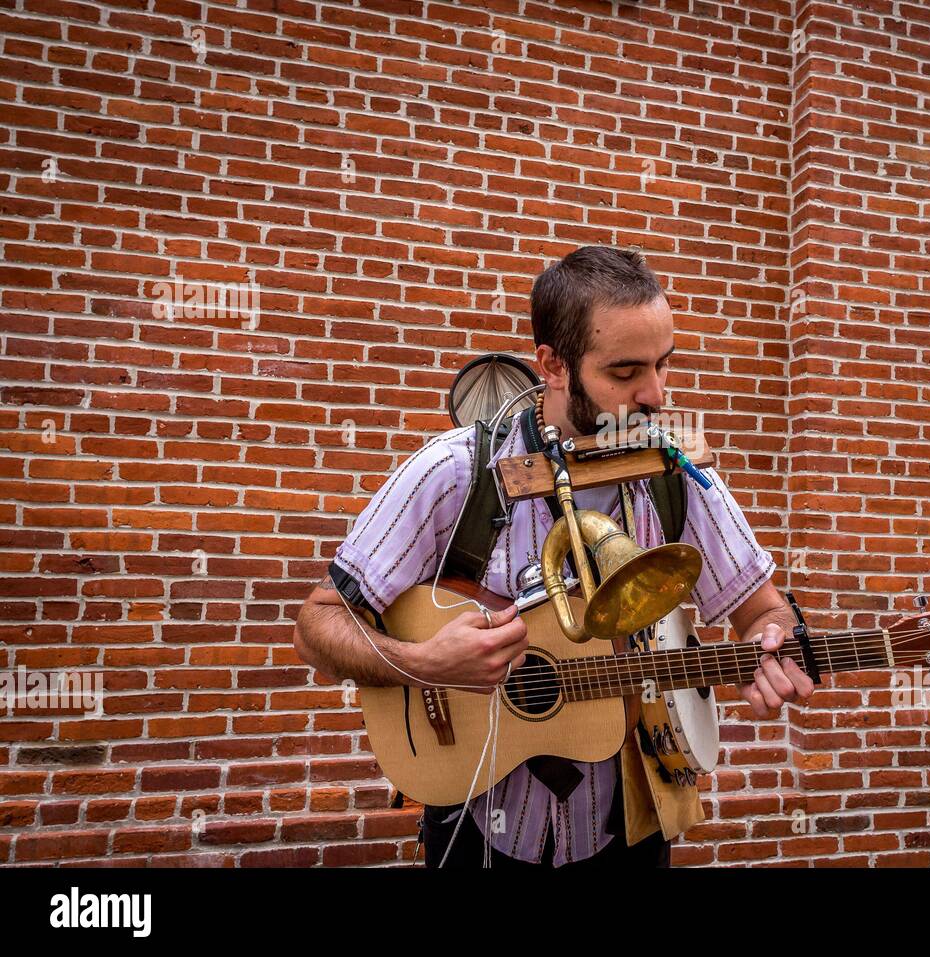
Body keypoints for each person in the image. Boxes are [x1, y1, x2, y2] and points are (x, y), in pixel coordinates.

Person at [292, 245, 813, 868]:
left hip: (626, 833)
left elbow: (763, 613)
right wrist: (423, 662)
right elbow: (317, 625)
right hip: (476, 831)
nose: (654, 394)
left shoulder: (679, 476)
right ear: (554, 364)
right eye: (625, 373)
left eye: (663, 365)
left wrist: (776, 643)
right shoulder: (455, 472)